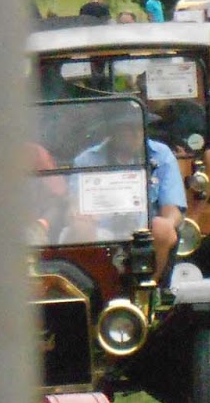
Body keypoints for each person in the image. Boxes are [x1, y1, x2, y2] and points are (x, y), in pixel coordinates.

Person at [74, 105, 185, 277]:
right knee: (78, 228)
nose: (136, 134)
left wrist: (166, 224)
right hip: (101, 232)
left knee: (163, 228)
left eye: (139, 127)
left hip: (144, 232)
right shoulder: (87, 160)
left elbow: (172, 210)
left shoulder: (161, 154)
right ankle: (99, 290)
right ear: (113, 131)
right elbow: (75, 206)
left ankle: (149, 290)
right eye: (128, 128)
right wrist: (84, 222)